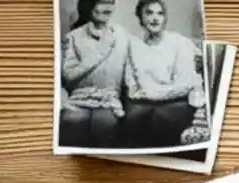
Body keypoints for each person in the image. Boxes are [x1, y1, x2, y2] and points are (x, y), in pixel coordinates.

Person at [123, 0, 206, 147]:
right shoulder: (133, 44)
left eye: (160, 14)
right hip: (145, 102)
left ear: (165, 18)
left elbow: (185, 84)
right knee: (136, 118)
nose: (155, 18)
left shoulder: (180, 43)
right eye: (149, 13)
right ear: (140, 17)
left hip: (178, 103)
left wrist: (151, 93)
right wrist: (152, 93)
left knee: (160, 118)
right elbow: (132, 88)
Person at [58, 0, 130, 147]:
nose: (103, 12)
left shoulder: (122, 35)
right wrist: (100, 52)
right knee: (72, 120)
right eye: (99, 7)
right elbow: (68, 75)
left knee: (105, 124)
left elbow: (129, 68)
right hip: (79, 98)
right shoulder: (74, 36)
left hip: (109, 99)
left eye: (108, 6)